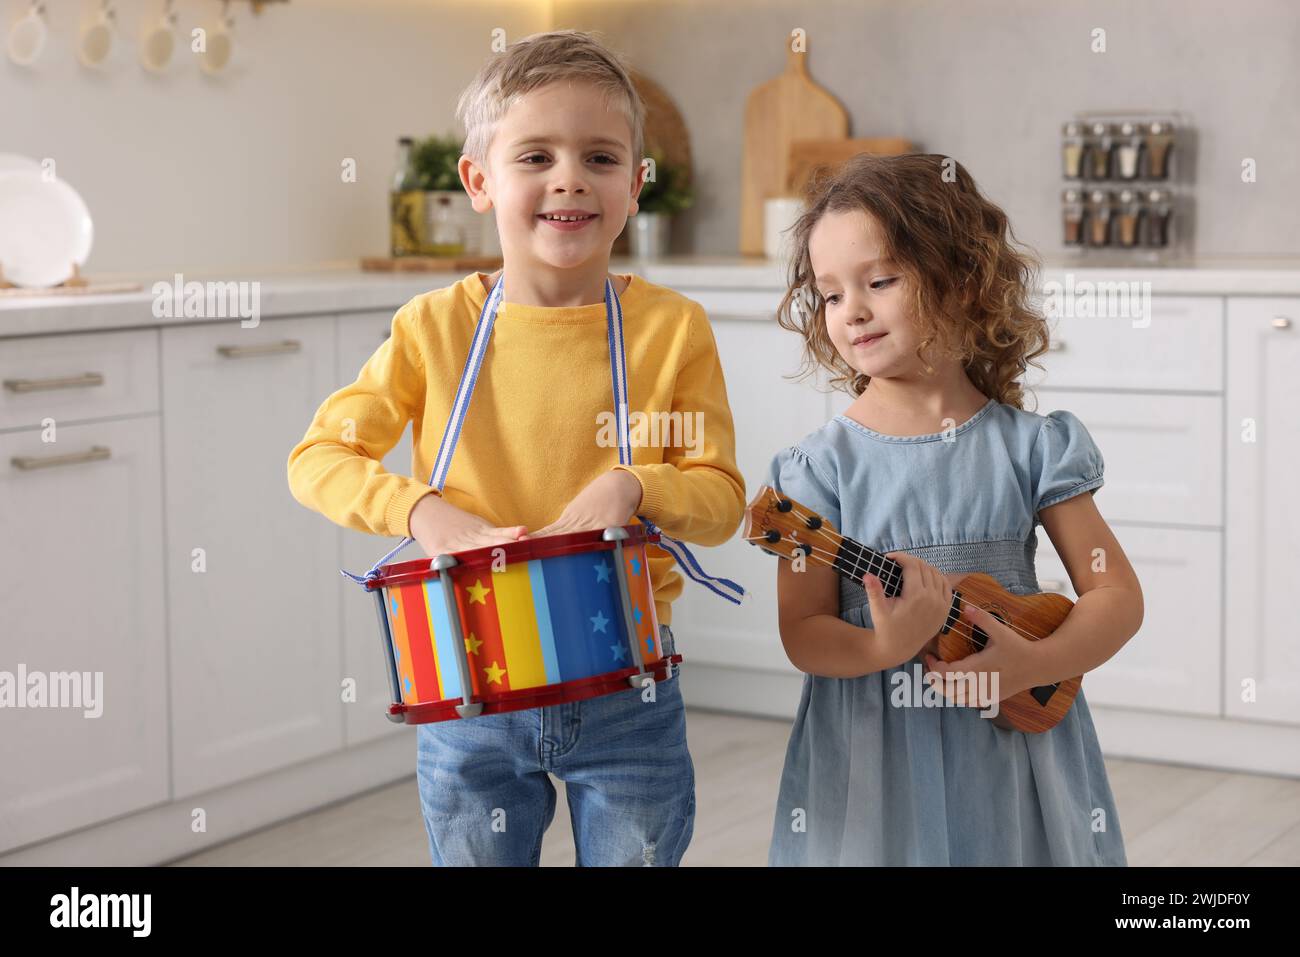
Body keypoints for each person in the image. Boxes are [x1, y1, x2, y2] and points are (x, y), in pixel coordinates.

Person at [287, 29, 745, 866]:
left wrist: (635, 485)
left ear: (636, 186)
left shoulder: (673, 330)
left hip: (629, 683)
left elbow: (718, 497)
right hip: (472, 687)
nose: (569, 176)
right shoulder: (433, 329)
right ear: (478, 181)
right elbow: (317, 458)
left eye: (601, 158)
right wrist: (421, 509)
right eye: (535, 154)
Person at [763, 152, 1142, 865]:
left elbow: (1115, 593)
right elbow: (802, 630)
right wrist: (883, 644)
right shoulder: (816, 471)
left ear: (964, 281)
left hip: (1012, 749)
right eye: (832, 294)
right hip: (874, 760)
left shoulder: (1034, 447)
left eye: (879, 281)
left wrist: (1035, 661)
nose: (854, 311)